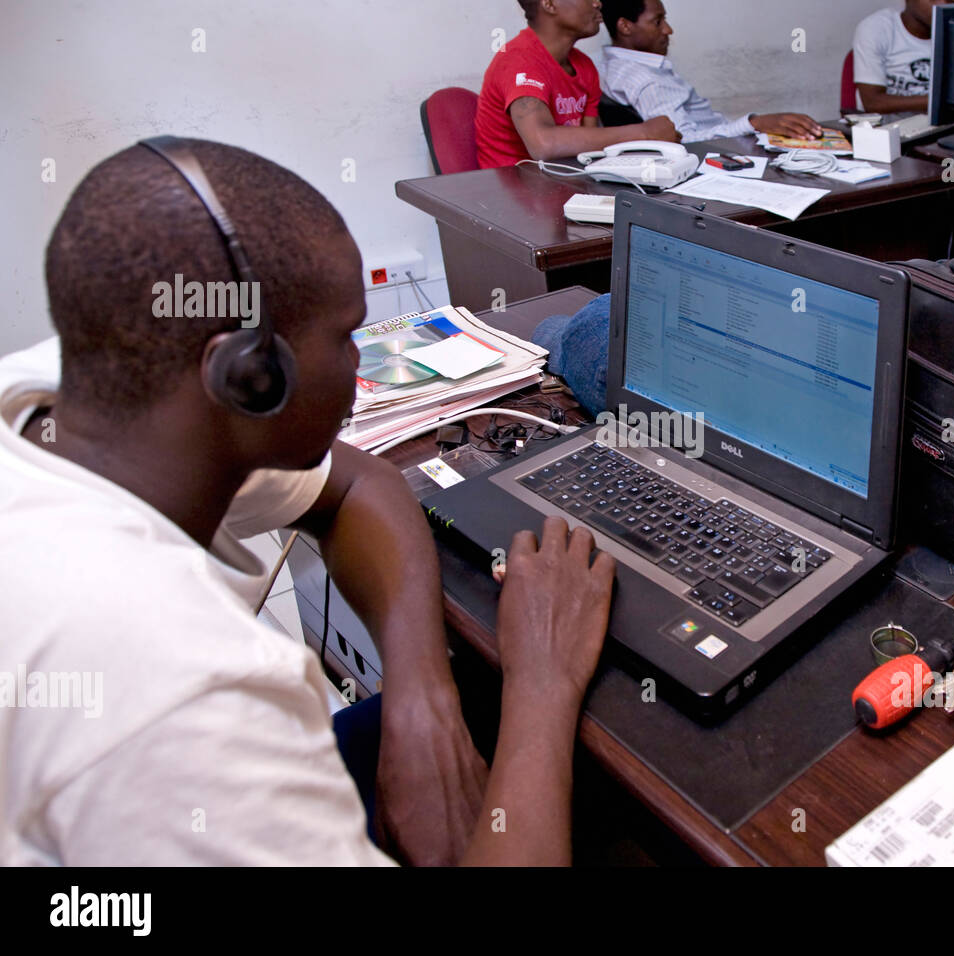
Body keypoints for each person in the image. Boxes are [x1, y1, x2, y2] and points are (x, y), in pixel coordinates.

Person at [0, 137, 616, 866]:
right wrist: (542, 683)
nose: (361, 363)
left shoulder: (97, 386)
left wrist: (422, 706)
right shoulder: (181, 691)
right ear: (248, 376)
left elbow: (360, 483)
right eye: (345, 337)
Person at [475, 0, 680, 167]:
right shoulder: (519, 60)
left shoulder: (584, 66)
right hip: (511, 193)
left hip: (561, 181)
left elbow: (590, 149)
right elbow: (543, 143)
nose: (598, 3)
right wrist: (644, 133)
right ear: (549, 4)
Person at [600, 0, 822, 143]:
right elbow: (683, 140)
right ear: (625, 26)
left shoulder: (611, 65)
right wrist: (753, 123)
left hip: (722, 139)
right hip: (715, 152)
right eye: (658, 22)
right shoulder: (646, 80)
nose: (668, 30)